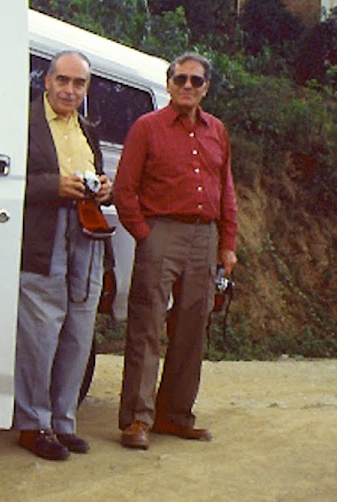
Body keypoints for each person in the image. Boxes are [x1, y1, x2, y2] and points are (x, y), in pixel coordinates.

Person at [113, 51, 238, 450]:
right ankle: (137, 419)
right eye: (180, 79)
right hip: (161, 232)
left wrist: (227, 244)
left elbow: (226, 190)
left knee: (192, 328)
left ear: (206, 88)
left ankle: (175, 415)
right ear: (168, 84)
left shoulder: (217, 131)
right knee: (147, 325)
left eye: (195, 80)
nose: (187, 86)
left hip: (205, 237)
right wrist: (144, 234)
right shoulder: (147, 128)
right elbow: (124, 189)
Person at [15, 50, 113, 460]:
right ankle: (33, 425)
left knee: (79, 329)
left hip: (86, 232)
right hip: (43, 235)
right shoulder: (23, 123)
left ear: (86, 88)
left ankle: (63, 422)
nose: (70, 90)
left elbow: (99, 181)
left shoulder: (88, 130)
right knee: (40, 331)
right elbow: (4, 178)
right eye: (63, 81)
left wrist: (105, 189)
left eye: (79, 83)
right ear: (47, 81)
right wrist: (52, 186)